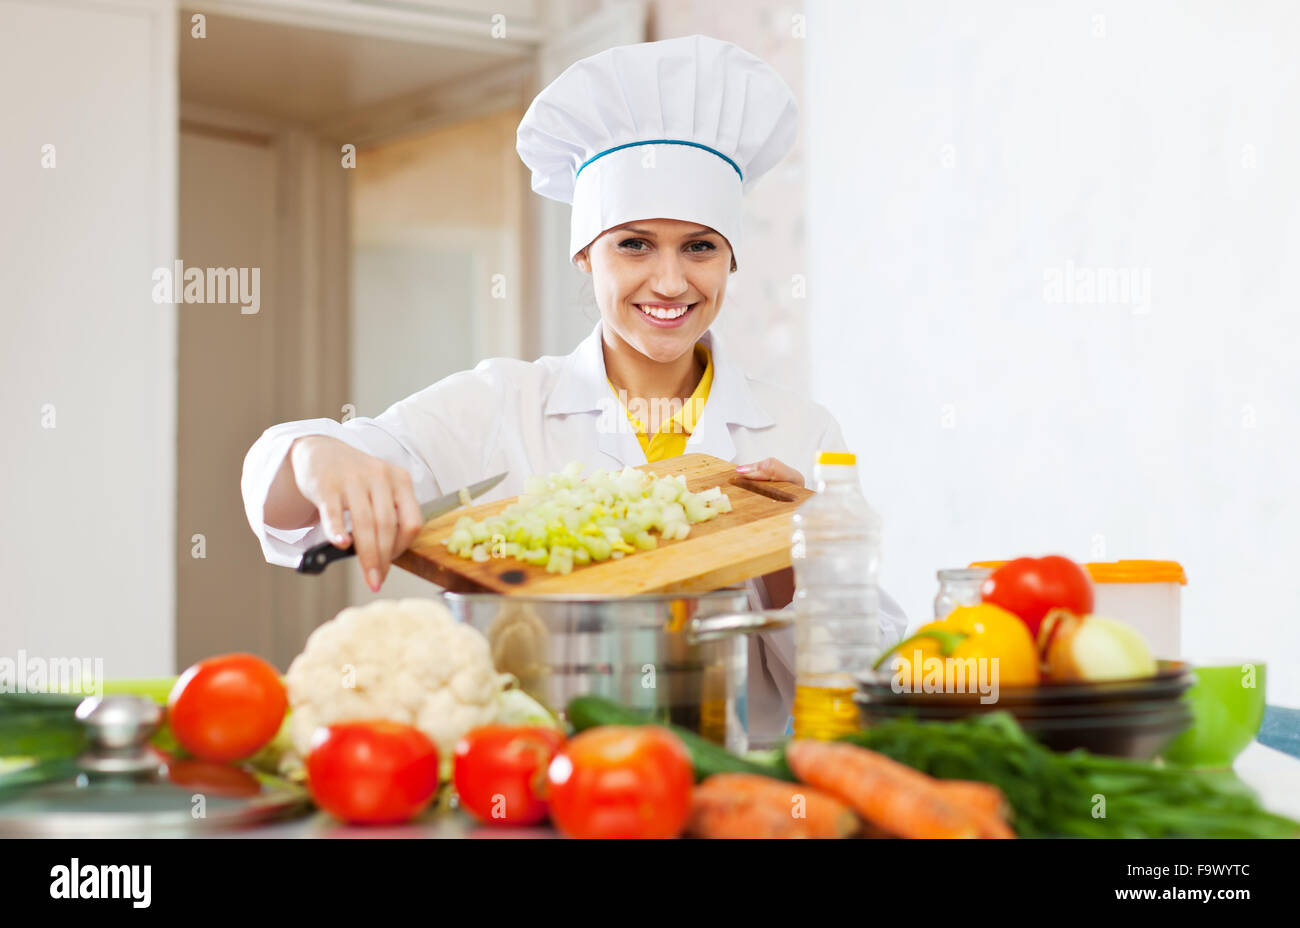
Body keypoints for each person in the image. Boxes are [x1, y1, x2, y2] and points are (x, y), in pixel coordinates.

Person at [240, 34, 907, 743]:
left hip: (729, 782)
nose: (672, 281)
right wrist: (313, 454)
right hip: (527, 779)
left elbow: (864, 679)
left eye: (700, 246)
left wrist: (782, 557)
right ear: (585, 254)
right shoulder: (501, 402)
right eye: (635, 244)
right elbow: (293, 502)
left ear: (731, 258)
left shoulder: (798, 429)